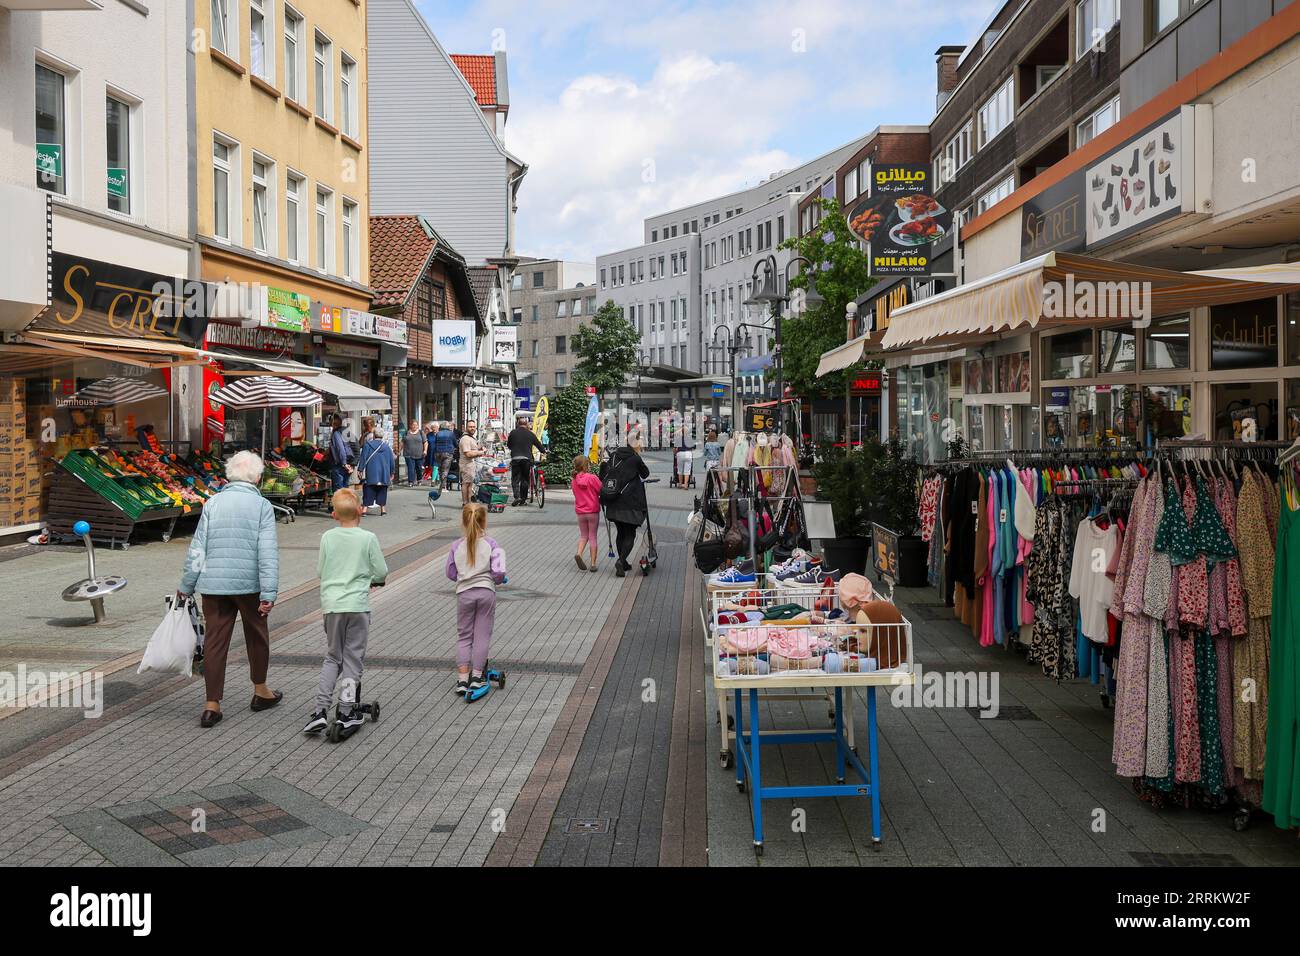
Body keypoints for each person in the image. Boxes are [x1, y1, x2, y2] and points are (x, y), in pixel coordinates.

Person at [177, 451, 282, 728]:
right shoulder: (262, 507)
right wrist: (269, 593)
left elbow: (197, 548)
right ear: (258, 478)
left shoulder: (213, 503)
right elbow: (267, 552)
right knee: (257, 637)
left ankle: (212, 704)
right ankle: (261, 691)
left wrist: (187, 585)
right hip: (249, 585)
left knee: (215, 641)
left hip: (213, 585)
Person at [303, 488, 389, 735]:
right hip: (357, 607)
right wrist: (372, 579)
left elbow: (321, 571)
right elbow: (381, 571)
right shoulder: (368, 537)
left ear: (333, 515)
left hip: (332, 607)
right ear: (361, 511)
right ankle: (346, 710)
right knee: (352, 660)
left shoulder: (327, 538)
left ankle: (320, 710)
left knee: (333, 657)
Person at [444, 503, 506, 697]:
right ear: (484, 521)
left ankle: (462, 679)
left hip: (464, 594)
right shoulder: (492, 544)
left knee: (464, 636)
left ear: (463, 521)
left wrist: (464, 576)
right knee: (482, 636)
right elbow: (499, 572)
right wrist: (499, 578)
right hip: (486, 592)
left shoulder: (456, 546)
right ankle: (477, 676)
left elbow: (450, 572)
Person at [600, 436, 650, 577]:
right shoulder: (635, 458)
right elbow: (645, 474)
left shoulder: (614, 456)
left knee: (620, 532)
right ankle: (621, 561)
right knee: (630, 533)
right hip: (631, 502)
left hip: (613, 499)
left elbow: (604, 474)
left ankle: (624, 562)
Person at [571, 455, 602, 572]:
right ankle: (593, 564)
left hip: (580, 512)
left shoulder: (574, 480)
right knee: (592, 536)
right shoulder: (592, 478)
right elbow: (601, 489)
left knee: (584, 535)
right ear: (585, 465)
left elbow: (575, 493)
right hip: (592, 511)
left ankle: (579, 553)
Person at [506, 414, 545, 506]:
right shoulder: (530, 434)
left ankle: (517, 497)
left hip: (515, 458)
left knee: (515, 479)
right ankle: (523, 500)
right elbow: (539, 445)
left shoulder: (513, 433)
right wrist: (543, 451)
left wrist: (514, 448)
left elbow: (509, 445)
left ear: (518, 424)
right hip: (527, 459)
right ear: (527, 424)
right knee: (524, 479)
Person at [358, 427, 395, 516]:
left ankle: (364, 509)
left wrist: (360, 469)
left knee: (368, 489)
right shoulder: (386, 447)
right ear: (382, 436)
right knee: (382, 489)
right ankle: (383, 510)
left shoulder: (367, 445)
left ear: (374, 435)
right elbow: (391, 461)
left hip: (371, 471)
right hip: (384, 472)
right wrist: (392, 472)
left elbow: (363, 458)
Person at [458, 420, 486, 505]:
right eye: (470, 427)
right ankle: (465, 503)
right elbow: (468, 453)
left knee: (470, 484)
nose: (472, 428)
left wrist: (480, 448)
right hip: (466, 464)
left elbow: (473, 449)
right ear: (466, 427)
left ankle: (469, 502)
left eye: (474, 427)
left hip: (471, 464)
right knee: (466, 484)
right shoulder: (465, 439)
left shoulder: (471, 437)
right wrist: (481, 452)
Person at [328, 414, 354, 491]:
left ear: (333, 423)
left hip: (339, 465)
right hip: (347, 464)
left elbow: (340, 449)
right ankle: (345, 502)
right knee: (345, 488)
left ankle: (341, 503)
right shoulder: (344, 432)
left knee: (339, 490)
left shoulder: (336, 434)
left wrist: (344, 463)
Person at [431, 421, 456, 490]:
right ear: (447, 427)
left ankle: (441, 482)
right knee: (445, 469)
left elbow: (435, 443)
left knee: (440, 469)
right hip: (448, 453)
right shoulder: (451, 433)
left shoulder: (438, 433)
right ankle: (443, 485)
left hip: (438, 453)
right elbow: (455, 443)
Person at [401, 420, 426, 487]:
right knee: (410, 468)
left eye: (416, 425)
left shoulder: (421, 432)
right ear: (410, 425)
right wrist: (399, 450)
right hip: (408, 454)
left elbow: (425, 442)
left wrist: (425, 450)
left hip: (419, 454)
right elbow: (402, 442)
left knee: (419, 468)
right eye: (413, 425)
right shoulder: (406, 433)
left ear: (418, 426)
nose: (414, 426)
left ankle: (419, 479)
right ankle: (410, 482)